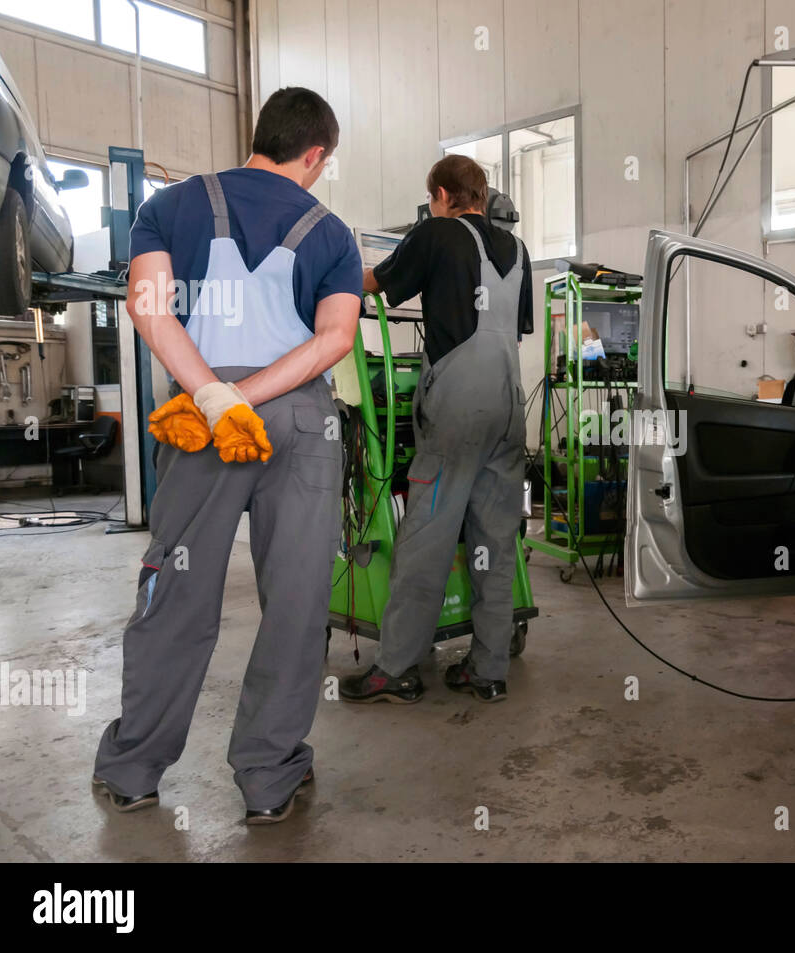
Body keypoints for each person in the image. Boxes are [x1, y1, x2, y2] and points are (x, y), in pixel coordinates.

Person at [93, 87, 362, 824]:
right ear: (314, 155)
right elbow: (334, 340)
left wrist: (215, 393)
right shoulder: (333, 233)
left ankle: (134, 769)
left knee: (174, 594)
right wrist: (254, 395)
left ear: (259, 135)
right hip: (302, 427)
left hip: (198, 419)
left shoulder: (168, 208)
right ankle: (270, 778)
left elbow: (148, 308)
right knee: (298, 603)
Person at [341, 155, 531, 705]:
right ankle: (489, 669)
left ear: (444, 194)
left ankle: (397, 667)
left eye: (432, 198)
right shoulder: (518, 250)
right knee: (495, 538)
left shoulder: (435, 233)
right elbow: (508, 326)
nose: (431, 206)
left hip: (458, 408)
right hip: (509, 402)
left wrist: (318, 280)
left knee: (426, 536)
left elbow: (371, 284)